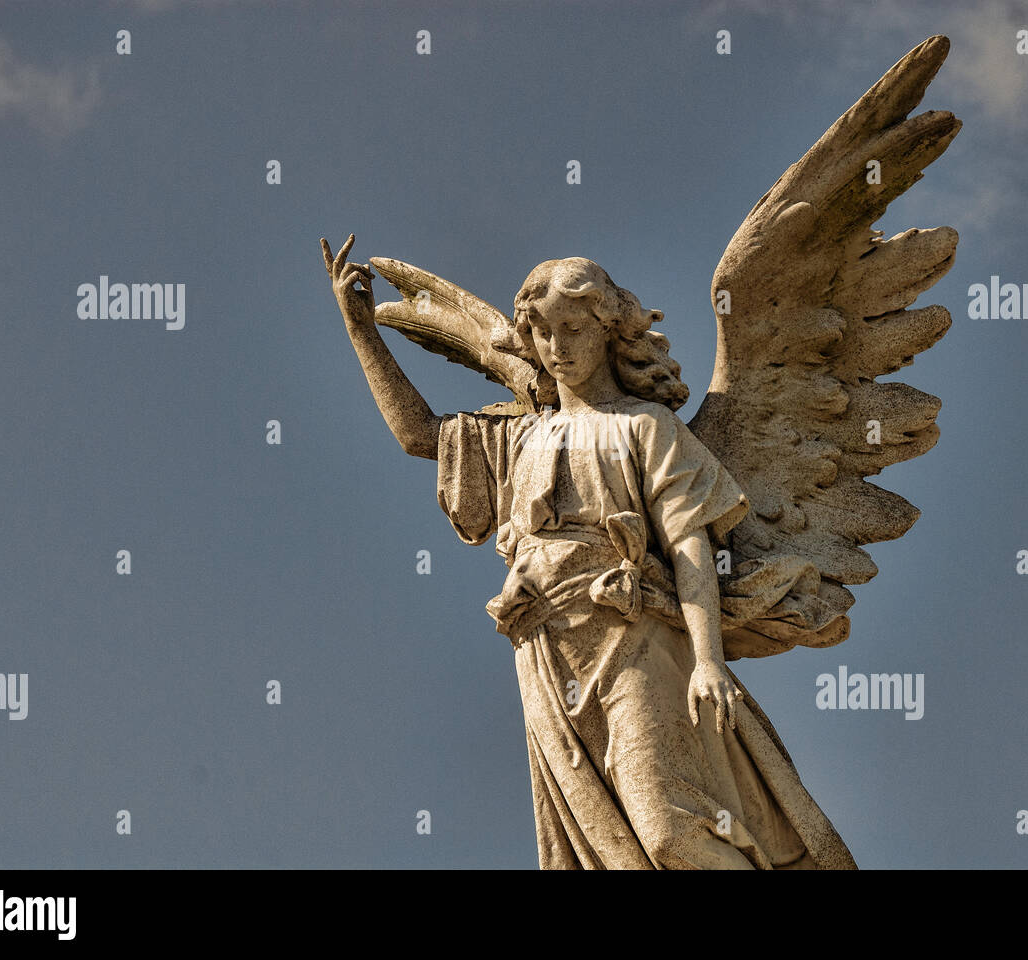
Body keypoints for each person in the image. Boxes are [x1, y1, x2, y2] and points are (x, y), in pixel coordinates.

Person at [322, 234, 856, 869]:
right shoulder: (518, 437)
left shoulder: (644, 427)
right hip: (545, 650)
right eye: (542, 333)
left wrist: (709, 661)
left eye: (572, 328)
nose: (556, 347)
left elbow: (689, 547)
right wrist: (362, 331)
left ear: (608, 328)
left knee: (668, 830)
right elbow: (420, 435)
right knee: (612, 854)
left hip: (634, 636)